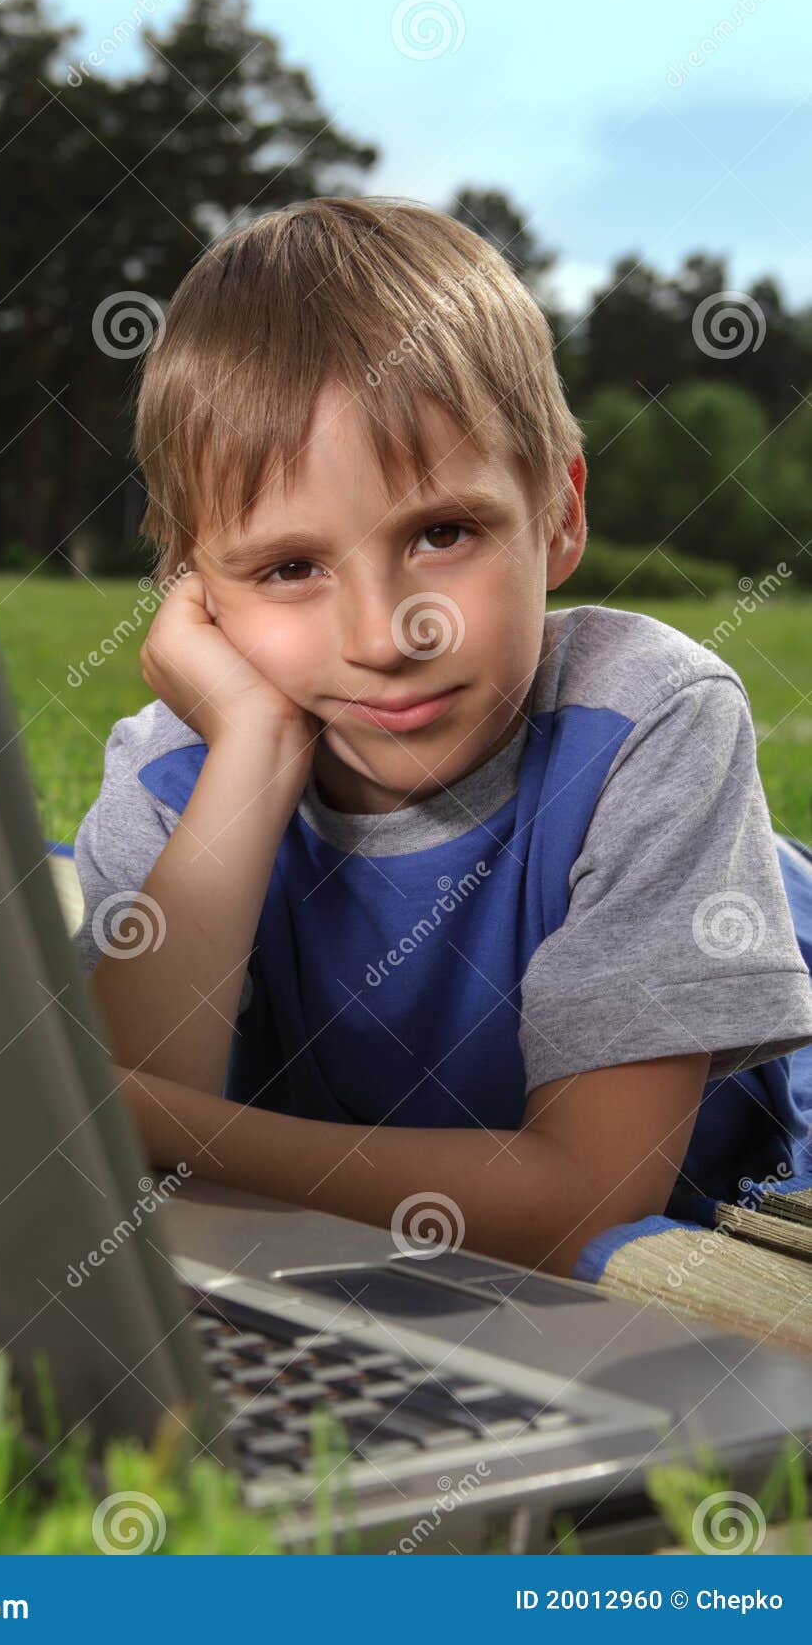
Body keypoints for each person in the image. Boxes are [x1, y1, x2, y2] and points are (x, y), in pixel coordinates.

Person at [71, 196, 812, 1277]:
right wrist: (254, 754)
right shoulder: (176, 766)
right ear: (193, 591)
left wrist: (157, 1131)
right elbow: (118, 1169)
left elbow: (582, 1209)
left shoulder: (648, 717)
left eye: (442, 532)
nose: (382, 636)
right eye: (288, 567)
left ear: (557, 514)